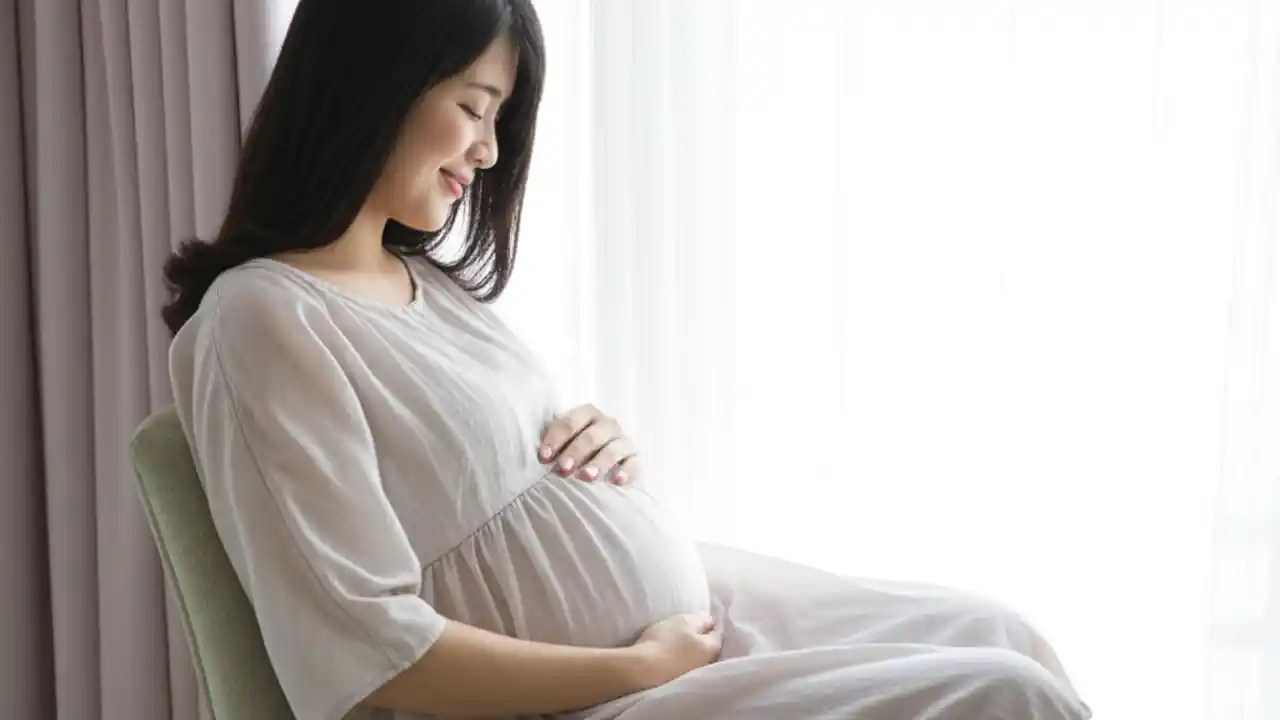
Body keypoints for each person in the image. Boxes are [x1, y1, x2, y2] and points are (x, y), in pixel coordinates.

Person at [163, 2, 1093, 719]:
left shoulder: (425, 284)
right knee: (1007, 695)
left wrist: (593, 446)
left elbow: (488, 474)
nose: (488, 151)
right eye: (474, 109)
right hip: (588, 696)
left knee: (1001, 631)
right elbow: (366, 649)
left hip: (673, 641)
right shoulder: (262, 317)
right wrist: (633, 667)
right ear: (376, 86)